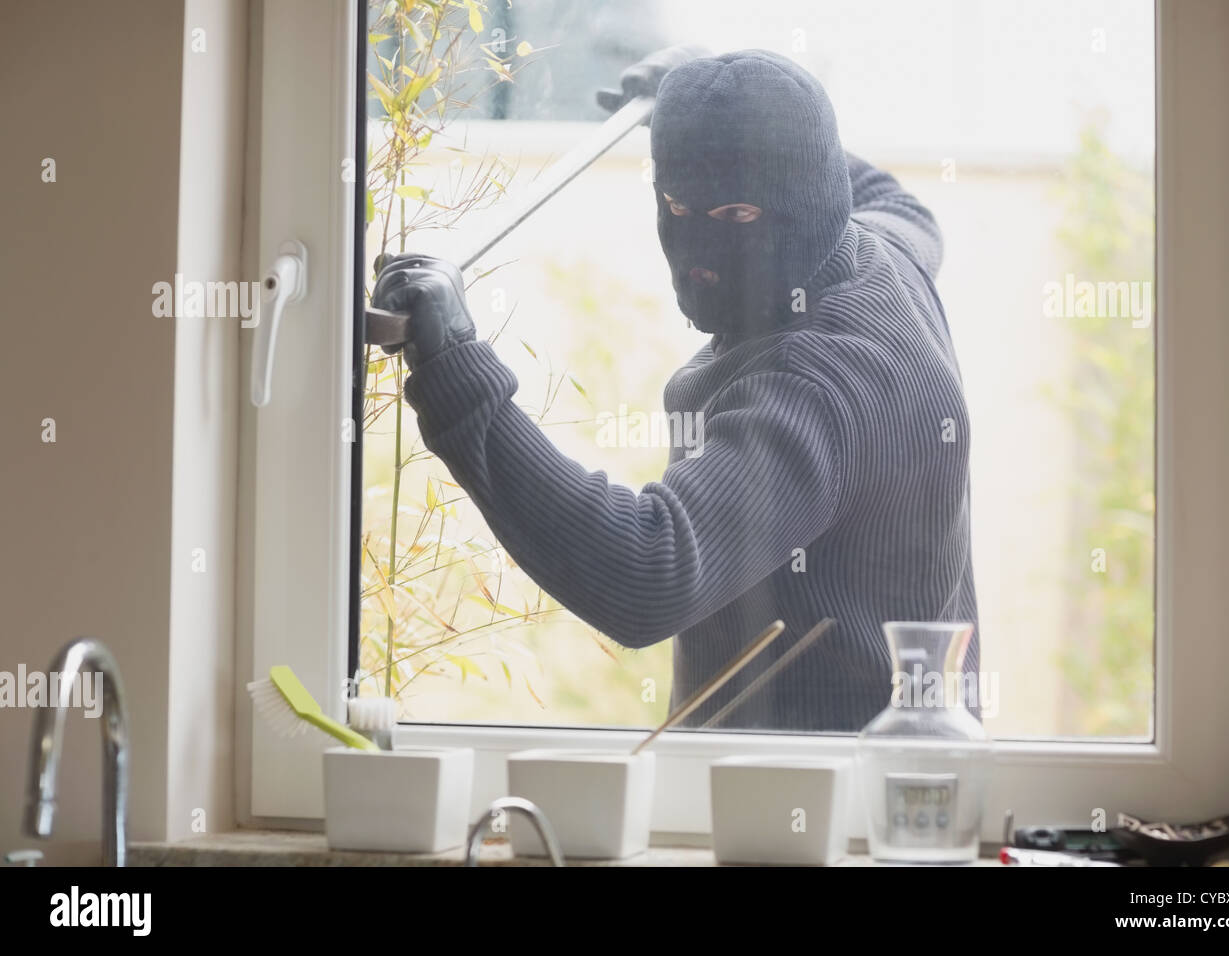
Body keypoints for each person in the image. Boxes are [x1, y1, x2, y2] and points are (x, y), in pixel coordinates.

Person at [371, 48, 978, 732]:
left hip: (816, 811)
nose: (697, 252)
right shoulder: (886, 254)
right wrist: (713, 114)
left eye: (737, 215)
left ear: (807, 206)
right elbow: (898, 204)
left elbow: (647, 573)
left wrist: (454, 370)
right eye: (677, 206)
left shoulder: (822, 384)